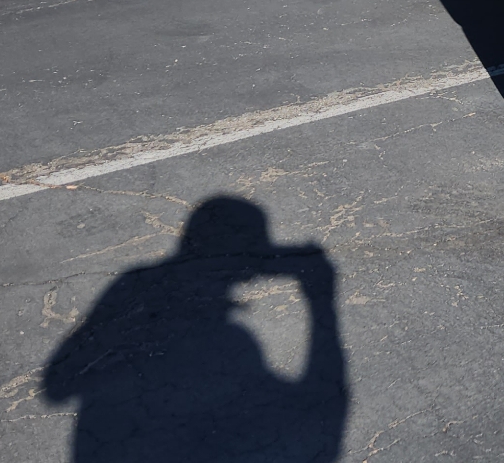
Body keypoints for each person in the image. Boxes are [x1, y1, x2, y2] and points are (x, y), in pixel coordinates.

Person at [43, 197, 348, 462]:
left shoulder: (136, 282)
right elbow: (324, 421)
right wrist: (322, 303)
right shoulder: (234, 342)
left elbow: (57, 385)